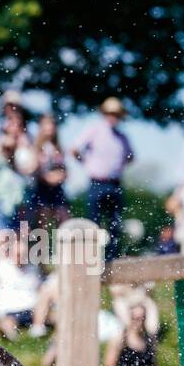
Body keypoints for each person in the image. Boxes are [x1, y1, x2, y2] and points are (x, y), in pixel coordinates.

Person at [70, 97, 133, 261]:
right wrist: (86, 163)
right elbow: (74, 149)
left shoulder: (122, 137)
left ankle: (112, 259)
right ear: (105, 114)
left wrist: (117, 166)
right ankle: (92, 259)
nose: (113, 117)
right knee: (93, 224)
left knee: (115, 225)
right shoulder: (94, 131)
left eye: (116, 114)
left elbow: (131, 156)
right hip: (97, 183)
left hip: (114, 184)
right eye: (110, 113)